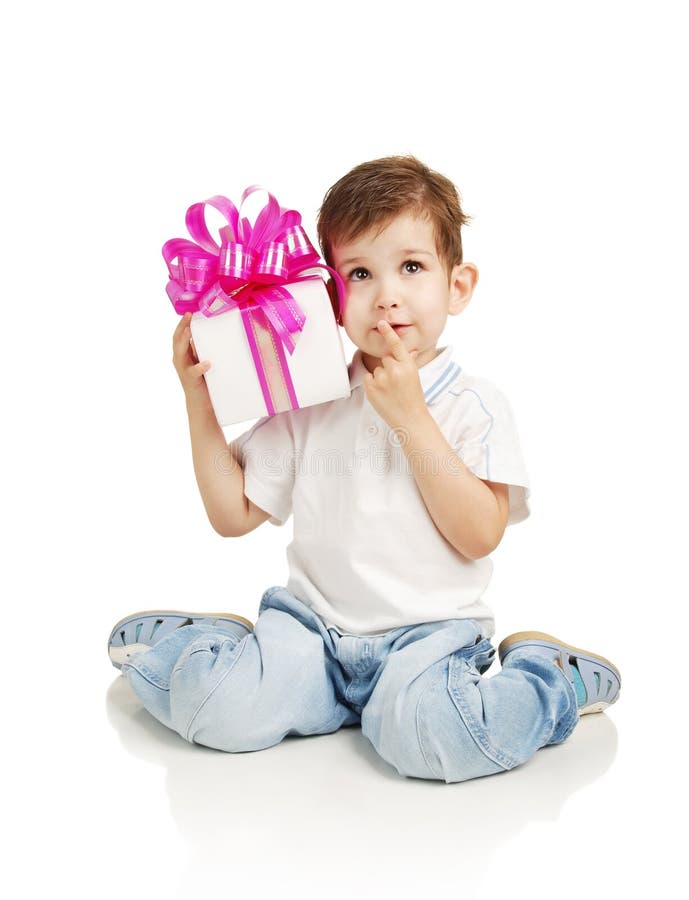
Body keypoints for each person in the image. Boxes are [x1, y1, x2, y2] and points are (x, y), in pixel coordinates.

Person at [108, 156, 621, 783]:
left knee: (444, 740)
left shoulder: (474, 405)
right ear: (331, 297)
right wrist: (200, 404)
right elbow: (232, 514)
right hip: (312, 633)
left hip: (428, 638)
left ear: (458, 286)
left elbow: (479, 534)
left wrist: (410, 416)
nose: (387, 295)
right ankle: (207, 649)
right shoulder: (313, 398)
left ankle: (549, 676)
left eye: (412, 267)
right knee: (215, 710)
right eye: (359, 273)